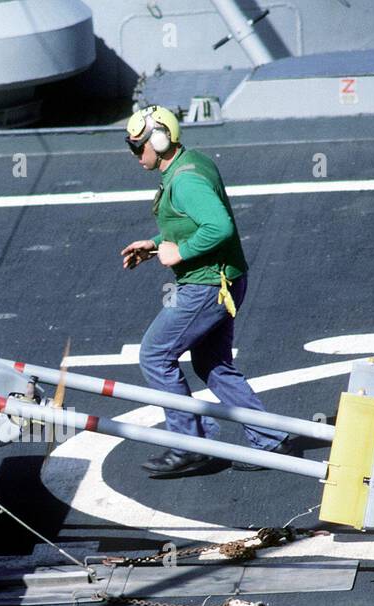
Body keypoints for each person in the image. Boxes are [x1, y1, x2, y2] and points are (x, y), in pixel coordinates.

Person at [120, 105, 293, 478]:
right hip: (224, 280)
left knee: (155, 354)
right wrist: (153, 245)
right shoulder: (191, 163)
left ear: (161, 141)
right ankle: (269, 437)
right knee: (211, 363)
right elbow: (190, 222)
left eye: (139, 148)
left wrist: (177, 253)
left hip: (206, 285)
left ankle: (190, 445)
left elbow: (219, 227)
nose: (136, 155)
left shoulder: (185, 181)